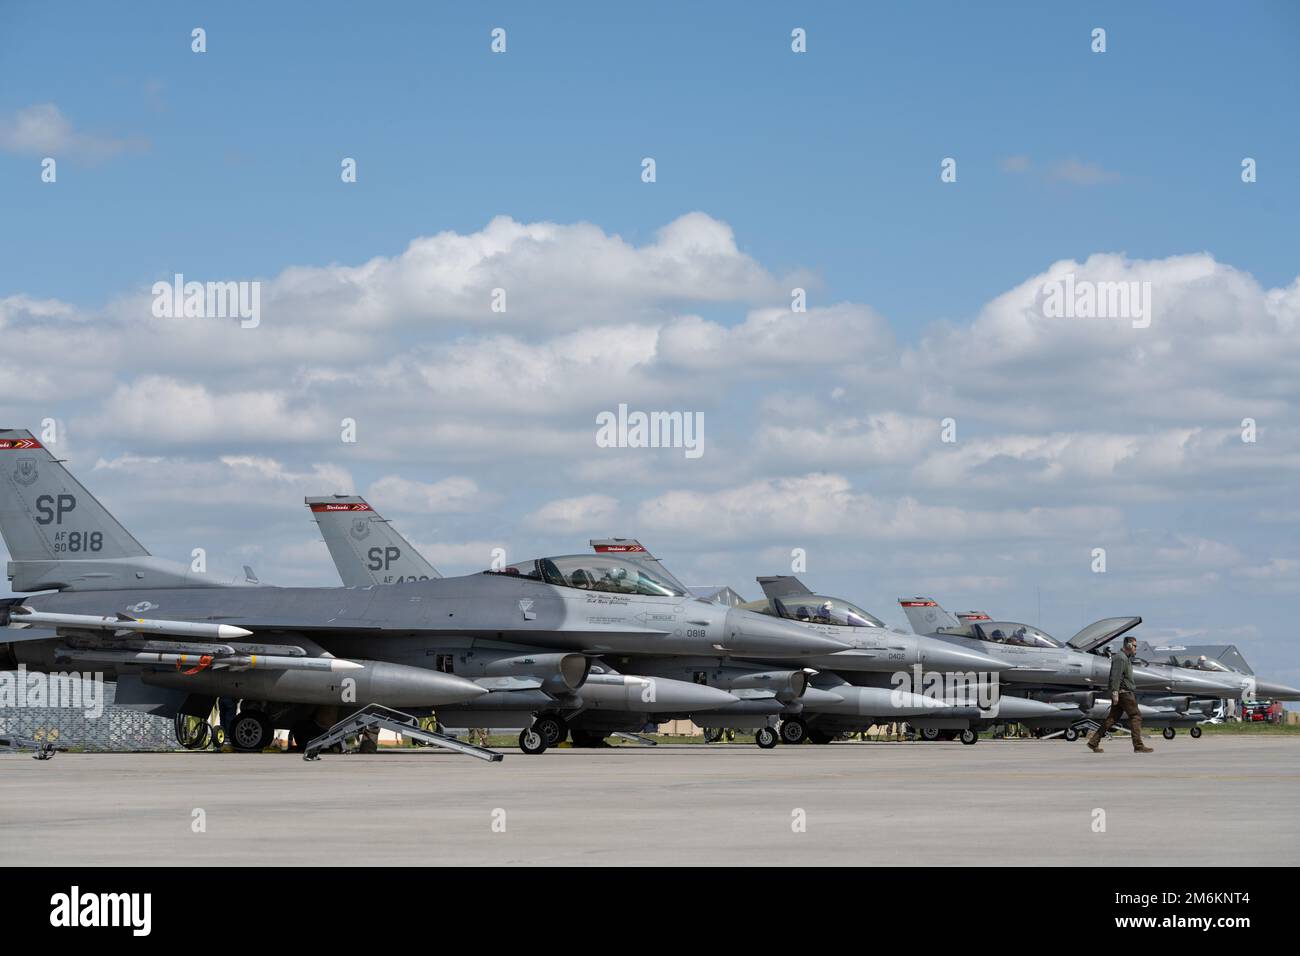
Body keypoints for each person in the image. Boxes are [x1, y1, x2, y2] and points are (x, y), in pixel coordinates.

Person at [1088, 635, 1154, 753]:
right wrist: (1115, 693)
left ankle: (1093, 742)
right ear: (1128, 645)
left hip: (1122, 692)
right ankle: (1138, 745)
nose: (1135, 648)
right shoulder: (1120, 658)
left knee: (1112, 718)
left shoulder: (1125, 658)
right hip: (1124, 693)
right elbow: (1115, 676)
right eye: (1134, 645)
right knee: (1135, 716)